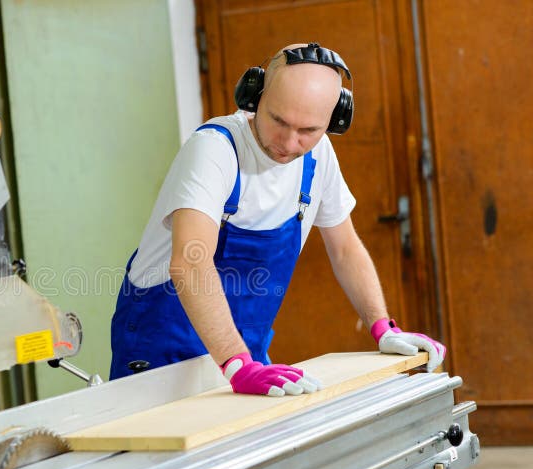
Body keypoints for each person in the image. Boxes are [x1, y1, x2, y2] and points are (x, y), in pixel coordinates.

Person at [109, 43, 446, 396]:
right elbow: (191, 263)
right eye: (278, 121)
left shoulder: (318, 158)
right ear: (254, 95)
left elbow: (345, 249)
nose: (288, 142)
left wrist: (383, 327)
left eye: (308, 131)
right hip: (162, 354)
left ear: (334, 121)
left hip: (241, 357)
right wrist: (237, 364)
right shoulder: (215, 149)